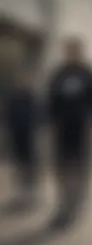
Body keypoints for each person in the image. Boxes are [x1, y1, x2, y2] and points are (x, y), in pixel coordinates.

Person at [47, 37, 92, 230]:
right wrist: (52, 123)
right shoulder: (59, 74)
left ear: (80, 52)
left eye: (75, 51)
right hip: (63, 128)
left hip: (81, 127)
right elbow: (52, 101)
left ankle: (77, 201)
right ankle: (63, 203)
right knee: (62, 166)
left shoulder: (88, 74)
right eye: (68, 51)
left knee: (79, 164)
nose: (72, 54)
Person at [4, 65, 41, 208]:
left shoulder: (33, 97)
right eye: (21, 78)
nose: (23, 81)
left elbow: (39, 116)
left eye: (26, 78)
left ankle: (32, 191)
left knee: (31, 162)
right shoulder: (13, 97)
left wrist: (37, 129)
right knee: (18, 162)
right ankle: (20, 191)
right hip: (16, 134)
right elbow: (8, 115)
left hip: (30, 134)